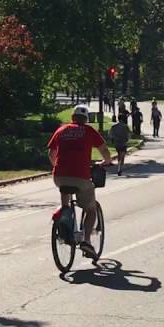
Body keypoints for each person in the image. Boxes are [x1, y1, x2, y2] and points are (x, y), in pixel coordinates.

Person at [48, 106, 112, 257]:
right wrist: (106, 161)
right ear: (86, 119)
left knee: (65, 192)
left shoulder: (61, 130)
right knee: (90, 209)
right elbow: (105, 151)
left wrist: (58, 167)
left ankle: (64, 220)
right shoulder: (89, 131)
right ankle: (87, 241)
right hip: (81, 176)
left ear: (72, 117)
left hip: (59, 175)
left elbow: (51, 153)